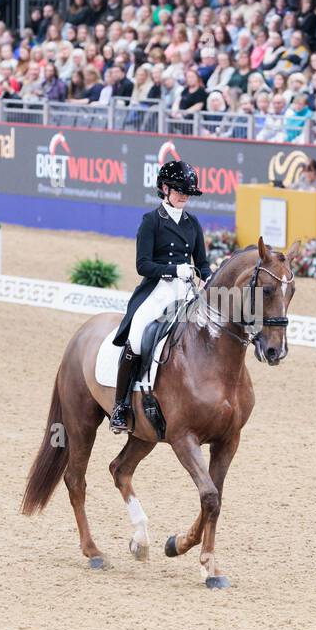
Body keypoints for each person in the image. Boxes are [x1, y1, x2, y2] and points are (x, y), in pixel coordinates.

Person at [109, 161, 211, 434]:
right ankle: (120, 405)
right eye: (179, 190)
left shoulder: (192, 223)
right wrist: (174, 269)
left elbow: (202, 262)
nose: (184, 196)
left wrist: (209, 277)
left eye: (188, 192)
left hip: (187, 291)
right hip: (158, 290)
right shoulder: (152, 221)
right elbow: (142, 265)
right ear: (164, 189)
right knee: (137, 335)